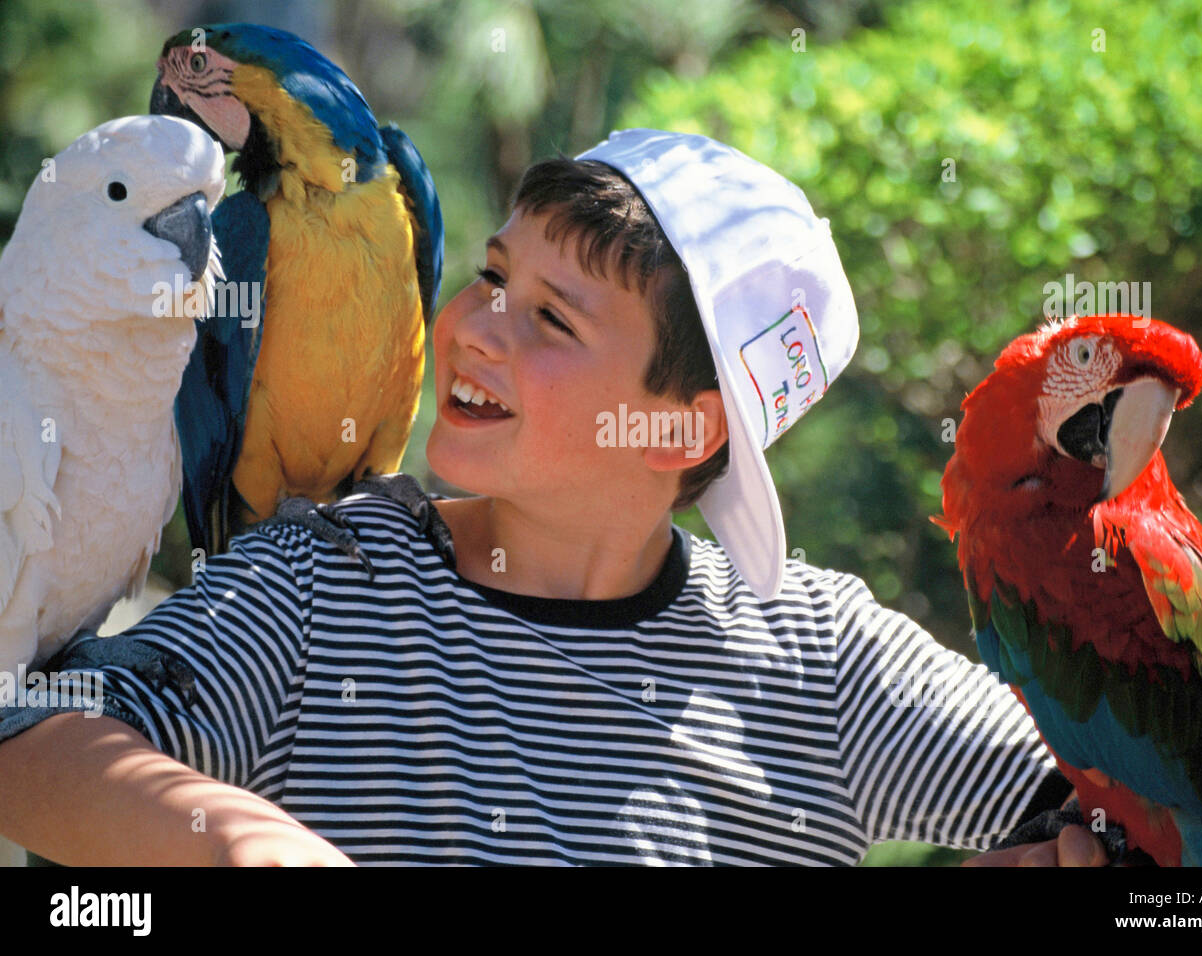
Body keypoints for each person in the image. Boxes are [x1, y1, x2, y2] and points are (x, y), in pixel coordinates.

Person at [0, 129, 1105, 866]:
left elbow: (1165, 814)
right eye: (492, 276)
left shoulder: (818, 654)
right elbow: (28, 736)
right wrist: (237, 839)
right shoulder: (324, 583)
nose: (473, 326)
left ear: (688, 425)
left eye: (552, 318)